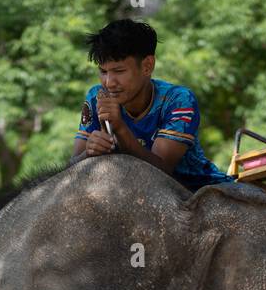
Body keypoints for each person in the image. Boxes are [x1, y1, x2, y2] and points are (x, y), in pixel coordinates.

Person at [71, 19, 234, 192]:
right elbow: (71, 166)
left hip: (201, 193)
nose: (109, 83)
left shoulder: (178, 100)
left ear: (148, 66)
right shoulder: (96, 97)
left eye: (119, 71)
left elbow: (161, 172)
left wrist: (120, 127)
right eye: (103, 72)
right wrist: (88, 153)